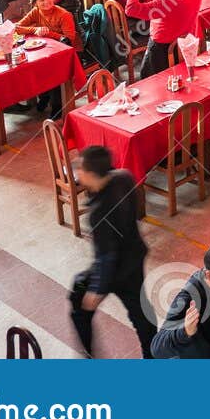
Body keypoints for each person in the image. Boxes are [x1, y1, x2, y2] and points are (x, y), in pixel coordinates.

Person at [69, 145, 156, 358]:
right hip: (134, 257)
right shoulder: (123, 177)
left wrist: (97, 290)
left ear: (90, 174)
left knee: (79, 301)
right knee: (141, 315)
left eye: (80, 169)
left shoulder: (99, 214)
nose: (77, 173)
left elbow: (107, 257)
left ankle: (89, 355)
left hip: (117, 270)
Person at [138, 0, 202, 77]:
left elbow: (130, 9)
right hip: (186, 39)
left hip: (162, 46)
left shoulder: (168, 1)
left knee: (148, 77)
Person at [17, 0, 82, 49]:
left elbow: (68, 40)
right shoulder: (35, 11)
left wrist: (47, 33)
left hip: (69, 48)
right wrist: (35, 29)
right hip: (46, 45)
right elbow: (16, 28)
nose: (46, 2)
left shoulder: (64, 15)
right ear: (35, 3)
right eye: (42, 0)